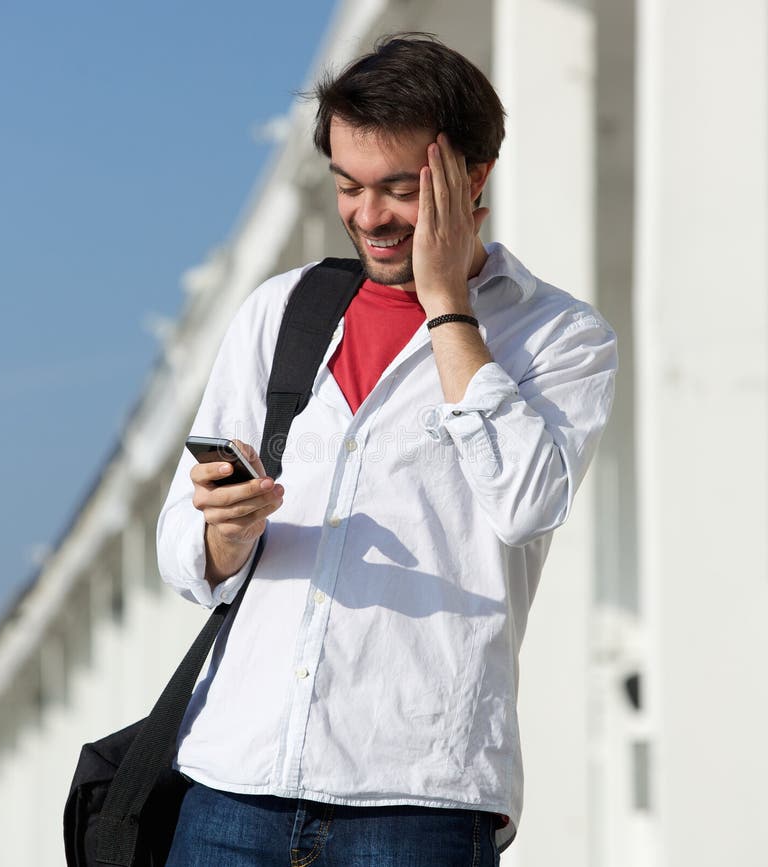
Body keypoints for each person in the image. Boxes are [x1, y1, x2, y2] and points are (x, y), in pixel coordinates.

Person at [157, 33, 617, 866]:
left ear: (472, 178)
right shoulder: (281, 312)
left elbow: (527, 504)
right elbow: (179, 549)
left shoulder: (561, 337)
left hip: (419, 800)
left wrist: (447, 306)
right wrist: (222, 532)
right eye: (349, 186)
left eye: (401, 191)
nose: (369, 216)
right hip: (233, 783)